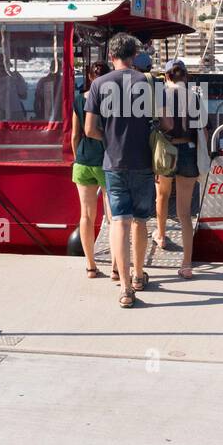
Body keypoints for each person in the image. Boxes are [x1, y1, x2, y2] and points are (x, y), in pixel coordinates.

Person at [85, 33, 155, 308]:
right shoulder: (147, 82)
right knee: (140, 221)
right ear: (134, 55)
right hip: (143, 161)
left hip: (113, 162)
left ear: (111, 56)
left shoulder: (98, 84)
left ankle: (125, 288)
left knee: (119, 221)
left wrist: (109, 139)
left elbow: (89, 129)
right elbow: (164, 122)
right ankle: (138, 275)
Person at [155, 58, 199, 279]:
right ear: (186, 76)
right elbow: (203, 128)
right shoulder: (194, 97)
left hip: (167, 151)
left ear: (166, 76)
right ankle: (187, 264)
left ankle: (161, 236)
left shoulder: (161, 95)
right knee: (185, 213)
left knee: (162, 195)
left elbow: (161, 124)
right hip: (189, 151)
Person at [71, 61, 109, 279]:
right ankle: (116, 268)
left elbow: (75, 135)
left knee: (86, 215)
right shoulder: (111, 101)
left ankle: (91, 266)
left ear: (89, 77)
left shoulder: (79, 99)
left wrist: (78, 157)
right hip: (106, 160)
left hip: (84, 160)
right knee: (113, 217)